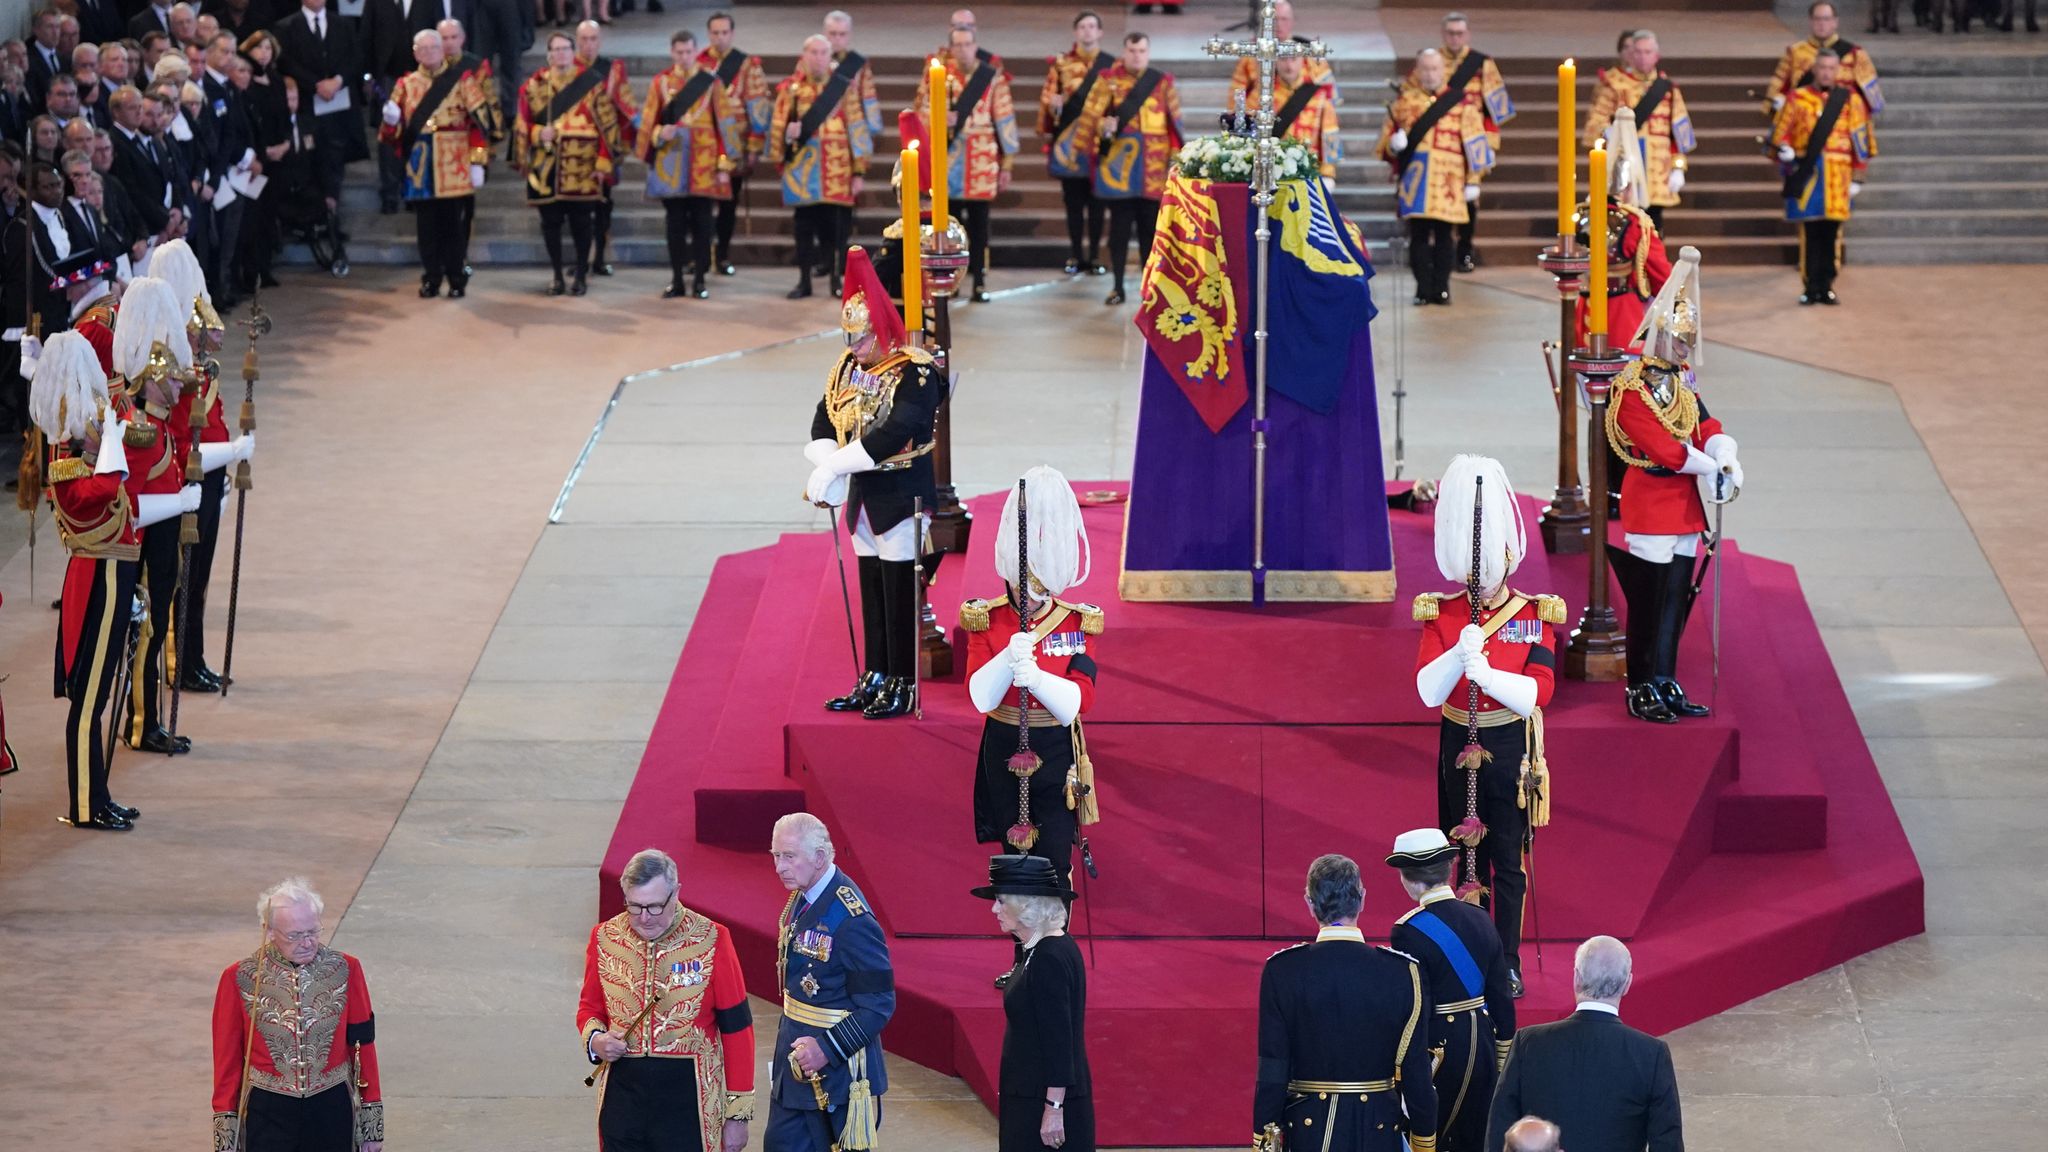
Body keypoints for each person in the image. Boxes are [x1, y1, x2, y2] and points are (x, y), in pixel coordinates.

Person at [1412, 455, 1562, 998]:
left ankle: (1507, 959)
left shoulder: (1534, 612)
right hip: (1457, 739)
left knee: (1506, 862)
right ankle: (1464, 951)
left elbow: (1538, 693)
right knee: (1460, 855)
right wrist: (1457, 655)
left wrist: (1487, 674)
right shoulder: (1443, 612)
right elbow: (1428, 690)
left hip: (1508, 743)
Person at [1605, 246, 1742, 725]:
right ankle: (1640, 683)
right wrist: (1709, 466)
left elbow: (1700, 422)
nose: (1686, 351)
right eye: (1680, 342)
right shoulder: (1631, 389)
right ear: (1660, 336)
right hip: (1652, 502)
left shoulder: (1680, 383)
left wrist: (1724, 451)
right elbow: (1666, 450)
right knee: (1647, 602)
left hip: (1684, 506)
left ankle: (1665, 676)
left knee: (1675, 601)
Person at [960, 465, 1100, 921]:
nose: (1033, 598)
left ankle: (1053, 950)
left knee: (1055, 858)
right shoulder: (988, 618)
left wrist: (1037, 678)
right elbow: (980, 697)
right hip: (1002, 748)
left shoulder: (1077, 623)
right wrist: (1006, 660)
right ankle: (1023, 954)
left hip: (1056, 754)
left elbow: (1079, 702)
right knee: (1014, 863)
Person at [803, 246, 938, 719]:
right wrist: (826, 464)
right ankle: (876, 672)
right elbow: (823, 421)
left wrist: (835, 467)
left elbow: (892, 433)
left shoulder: (916, 372)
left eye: (861, 339)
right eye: (849, 338)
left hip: (901, 493)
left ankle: (903, 680)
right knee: (871, 588)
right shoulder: (846, 368)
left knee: (899, 591)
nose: (854, 347)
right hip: (862, 494)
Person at [27, 331, 150, 829]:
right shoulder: (65, 459)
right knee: (89, 699)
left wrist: (111, 438)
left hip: (113, 572)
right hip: (96, 576)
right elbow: (93, 496)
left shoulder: (82, 448)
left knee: (99, 696)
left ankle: (98, 794)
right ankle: (85, 804)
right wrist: (110, 448)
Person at [1253, 854, 1438, 1152]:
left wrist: (1263, 1141)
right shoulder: (1402, 972)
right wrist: (1424, 1141)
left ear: (1309, 902)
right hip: (1378, 1130)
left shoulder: (1282, 970)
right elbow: (1416, 1072)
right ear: (1362, 899)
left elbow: (1273, 1071)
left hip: (1309, 1133)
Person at [579, 848, 756, 1152]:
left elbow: (738, 1031)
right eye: (635, 907)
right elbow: (590, 1008)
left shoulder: (712, 938)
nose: (644, 918)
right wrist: (596, 1040)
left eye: (655, 907)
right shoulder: (604, 938)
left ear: (676, 893)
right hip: (623, 1098)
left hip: (690, 1101)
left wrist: (737, 1115)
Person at [210, 878, 385, 1152]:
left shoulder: (347, 969)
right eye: (294, 935)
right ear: (268, 931)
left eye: (313, 931)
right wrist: (225, 1132)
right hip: (267, 1110)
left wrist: (372, 1122)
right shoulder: (238, 977)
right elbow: (227, 1058)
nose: (307, 942)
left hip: (331, 1105)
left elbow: (363, 1046)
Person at [152, 238, 254, 697]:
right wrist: (231, 452)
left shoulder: (193, 358)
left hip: (209, 474)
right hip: (188, 477)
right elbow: (182, 430)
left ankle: (195, 657)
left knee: (201, 573)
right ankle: (182, 661)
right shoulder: (171, 360)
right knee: (185, 575)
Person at [766, 812, 894, 1152]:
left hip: (836, 1074)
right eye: (776, 855)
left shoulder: (851, 919)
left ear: (820, 857)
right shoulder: (803, 895)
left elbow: (879, 1003)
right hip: (794, 1063)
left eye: (789, 856)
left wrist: (826, 1049)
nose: (779, 866)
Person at [109, 276, 198, 755]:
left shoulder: (159, 428)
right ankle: (142, 723)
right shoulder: (141, 433)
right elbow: (130, 508)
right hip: (144, 559)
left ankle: (152, 720)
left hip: (162, 559)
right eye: (168, 378)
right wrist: (178, 505)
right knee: (145, 636)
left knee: (157, 624)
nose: (176, 384)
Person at [1385, 828, 1516, 1152]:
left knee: (1435, 1136)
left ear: (1407, 878)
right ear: (1448, 870)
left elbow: (1416, 1006)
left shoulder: (1408, 930)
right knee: (1475, 1135)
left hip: (1437, 1053)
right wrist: (1501, 1054)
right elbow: (1501, 996)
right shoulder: (1481, 917)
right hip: (1483, 1043)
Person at [1486, 937, 1682, 1152]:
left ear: (1576, 977)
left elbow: (1500, 1132)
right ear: (1627, 984)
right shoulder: (1651, 1054)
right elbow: (1667, 1145)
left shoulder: (1528, 1043)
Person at [975, 855, 1093, 1152]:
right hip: (1030, 1097)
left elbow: (1059, 1041)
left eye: (1001, 901)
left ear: (1026, 905)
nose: (994, 909)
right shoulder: (1042, 948)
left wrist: (1053, 1109)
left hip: (1041, 1106)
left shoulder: (1049, 958)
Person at [1376, 49, 1491, 306]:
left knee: (1444, 236)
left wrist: (1474, 179)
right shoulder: (1404, 102)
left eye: (1434, 69)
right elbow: (1384, 143)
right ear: (1417, 70)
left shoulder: (1462, 104)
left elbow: (1476, 145)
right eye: (1425, 69)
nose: (1430, 74)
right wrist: (1394, 145)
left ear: (1444, 71)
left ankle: (1441, 287)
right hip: (1416, 177)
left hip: (1449, 178)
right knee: (1418, 235)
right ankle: (1421, 288)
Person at [380, 29, 488, 299]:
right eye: (422, 48)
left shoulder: (463, 81)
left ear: (442, 50)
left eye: (433, 47)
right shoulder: (405, 85)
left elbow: (482, 124)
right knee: (426, 228)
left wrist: (477, 161)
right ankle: (431, 277)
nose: (428, 53)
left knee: (453, 227)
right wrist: (391, 121)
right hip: (421, 166)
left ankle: (456, 278)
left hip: (455, 163)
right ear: (415, 53)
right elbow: (390, 137)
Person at [912, 23, 1016, 303]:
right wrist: (937, 118)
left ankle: (980, 281)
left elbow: (1005, 121)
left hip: (981, 163)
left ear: (975, 45)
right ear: (950, 48)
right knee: (948, 226)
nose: (963, 50)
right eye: (957, 45)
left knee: (980, 227)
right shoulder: (937, 76)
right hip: (947, 163)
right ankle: (950, 281)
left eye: (968, 44)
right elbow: (920, 113)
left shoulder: (991, 78)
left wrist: (1007, 164)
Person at [513, 30, 620, 296]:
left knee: (582, 224)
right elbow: (521, 126)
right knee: (550, 223)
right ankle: (557, 275)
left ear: (574, 53)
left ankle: (581, 273)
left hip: (582, 169)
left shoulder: (592, 85)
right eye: (555, 50)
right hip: (545, 168)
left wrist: (603, 164)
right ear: (549, 55)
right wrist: (538, 134)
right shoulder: (534, 86)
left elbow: (609, 128)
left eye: (565, 49)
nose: (560, 54)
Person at [637, 30, 740, 301]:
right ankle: (676, 279)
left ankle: (700, 279)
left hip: (704, 166)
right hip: (672, 166)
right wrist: (660, 134)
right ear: (672, 53)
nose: (684, 57)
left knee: (703, 226)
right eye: (679, 52)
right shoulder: (660, 83)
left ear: (696, 51)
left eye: (688, 52)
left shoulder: (711, 82)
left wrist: (723, 165)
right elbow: (648, 123)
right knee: (674, 226)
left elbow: (725, 124)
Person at [770, 34, 870, 300]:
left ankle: (837, 280)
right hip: (803, 173)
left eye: (823, 53)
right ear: (804, 56)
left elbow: (857, 127)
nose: (818, 58)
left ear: (830, 56)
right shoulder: (789, 90)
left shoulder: (844, 89)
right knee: (803, 230)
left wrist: (859, 170)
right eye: (813, 52)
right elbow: (777, 129)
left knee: (837, 232)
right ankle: (804, 281)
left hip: (838, 171)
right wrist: (787, 137)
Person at [1771, 50, 1874, 306]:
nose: (1826, 72)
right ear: (1814, 69)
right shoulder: (1798, 98)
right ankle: (1809, 286)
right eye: (1822, 67)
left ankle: (1827, 285)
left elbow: (1861, 141)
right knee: (1810, 232)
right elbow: (1780, 134)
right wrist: (1784, 150)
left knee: (1832, 233)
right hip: (1809, 175)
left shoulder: (1850, 100)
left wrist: (1858, 178)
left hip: (1839, 178)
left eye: (1831, 67)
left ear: (1837, 70)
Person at [1082, 31, 1178, 306]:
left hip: (1154, 169)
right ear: (1124, 52)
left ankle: (1151, 290)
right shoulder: (1107, 81)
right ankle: (1117, 286)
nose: (1137, 56)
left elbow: (1175, 124)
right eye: (1132, 51)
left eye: (1142, 51)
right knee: (1119, 232)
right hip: (1119, 169)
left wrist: (1175, 160)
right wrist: (1105, 128)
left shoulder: (1162, 83)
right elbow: (1090, 120)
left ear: (1148, 52)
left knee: (1151, 231)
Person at [1572, 108, 1670, 351]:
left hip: (1585, 309)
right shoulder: (1637, 224)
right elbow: (1662, 278)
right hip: (1623, 315)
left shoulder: (1581, 214)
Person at [1584, 31, 1693, 233]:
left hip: (1657, 171)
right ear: (1630, 55)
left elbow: (1679, 134)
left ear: (1656, 56)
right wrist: (1610, 133)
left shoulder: (1668, 89)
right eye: (1638, 52)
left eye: (1648, 52)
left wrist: (1679, 167)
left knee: (1654, 228)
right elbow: (1594, 123)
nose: (1643, 57)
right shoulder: (1613, 85)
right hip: (1624, 166)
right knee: (1625, 227)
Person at [271, 0, 360, 236]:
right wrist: (316, 84)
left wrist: (338, 81)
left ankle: (331, 221)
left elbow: (355, 57)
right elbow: (285, 62)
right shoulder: (286, 27)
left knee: (333, 162)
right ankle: (308, 220)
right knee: (308, 163)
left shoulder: (342, 24)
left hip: (337, 106)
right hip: (306, 104)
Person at [1430, 12, 1511, 272]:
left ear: (1467, 35)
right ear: (1443, 34)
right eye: (1451, 32)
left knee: (1469, 198)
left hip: (1471, 141)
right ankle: (1438, 250)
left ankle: (1464, 250)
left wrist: (1489, 145)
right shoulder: (1432, 61)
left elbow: (1494, 110)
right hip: (1439, 140)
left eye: (1460, 33)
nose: (1455, 37)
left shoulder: (1482, 64)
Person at [1039, 10, 1112, 276]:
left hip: (1098, 146)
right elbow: (1049, 102)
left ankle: (1094, 256)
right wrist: (1053, 106)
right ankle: (1075, 254)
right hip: (1070, 147)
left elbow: (1117, 104)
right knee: (1073, 204)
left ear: (1100, 32)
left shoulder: (1111, 67)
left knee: (1097, 205)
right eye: (1082, 27)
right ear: (1075, 32)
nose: (1087, 31)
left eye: (1092, 26)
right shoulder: (1060, 65)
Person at [698, 11, 770, 277]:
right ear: (709, 34)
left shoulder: (747, 65)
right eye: (715, 33)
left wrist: (754, 146)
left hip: (734, 146)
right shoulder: (699, 62)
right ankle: (701, 256)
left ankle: (723, 254)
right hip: (704, 148)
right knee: (702, 207)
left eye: (724, 32)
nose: (719, 37)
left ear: (732, 33)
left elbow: (758, 107)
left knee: (728, 205)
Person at [819, 9, 880, 277]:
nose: (836, 39)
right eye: (832, 34)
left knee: (842, 210)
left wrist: (867, 137)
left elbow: (868, 98)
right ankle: (823, 258)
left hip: (848, 139)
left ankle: (840, 259)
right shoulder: (814, 58)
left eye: (842, 34)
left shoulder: (858, 64)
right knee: (818, 207)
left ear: (849, 36)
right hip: (818, 143)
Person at [573, 19, 631, 277]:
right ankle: (579, 259)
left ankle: (599, 258)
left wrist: (622, 143)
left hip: (605, 147)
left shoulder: (613, 70)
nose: (588, 44)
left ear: (600, 41)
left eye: (593, 39)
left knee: (603, 206)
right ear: (577, 42)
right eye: (584, 39)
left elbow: (626, 106)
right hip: (574, 149)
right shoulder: (567, 69)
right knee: (577, 210)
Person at [1765, 3, 1884, 121]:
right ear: (1810, 21)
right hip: (1803, 121)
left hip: (1842, 123)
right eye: (1817, 19)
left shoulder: (1855, 54)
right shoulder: (1794, 53)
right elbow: (1779, 87)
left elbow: (1871, 98)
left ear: (1835, 22)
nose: (1822, 24)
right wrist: (1779, 102)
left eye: (1826, 19)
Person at [1227, 0, 1331, 102]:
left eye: (1284, 19)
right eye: (1274, 19)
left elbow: (1329, 95)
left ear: (1292, 21)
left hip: (1306, 115)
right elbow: (1236, 97)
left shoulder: (1310, 53)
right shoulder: (1250, 56)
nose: (1279, 24)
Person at [1269, 53, 1340, 187]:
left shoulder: (1320, 98)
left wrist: (1327, 174)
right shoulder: (1262, 97)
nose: (1289, 65)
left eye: (1294, 59)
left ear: (1303, 61)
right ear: (1276, 61)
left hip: (1308, 176)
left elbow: (1331, 138)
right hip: (1272, 175)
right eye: (1283, 59)